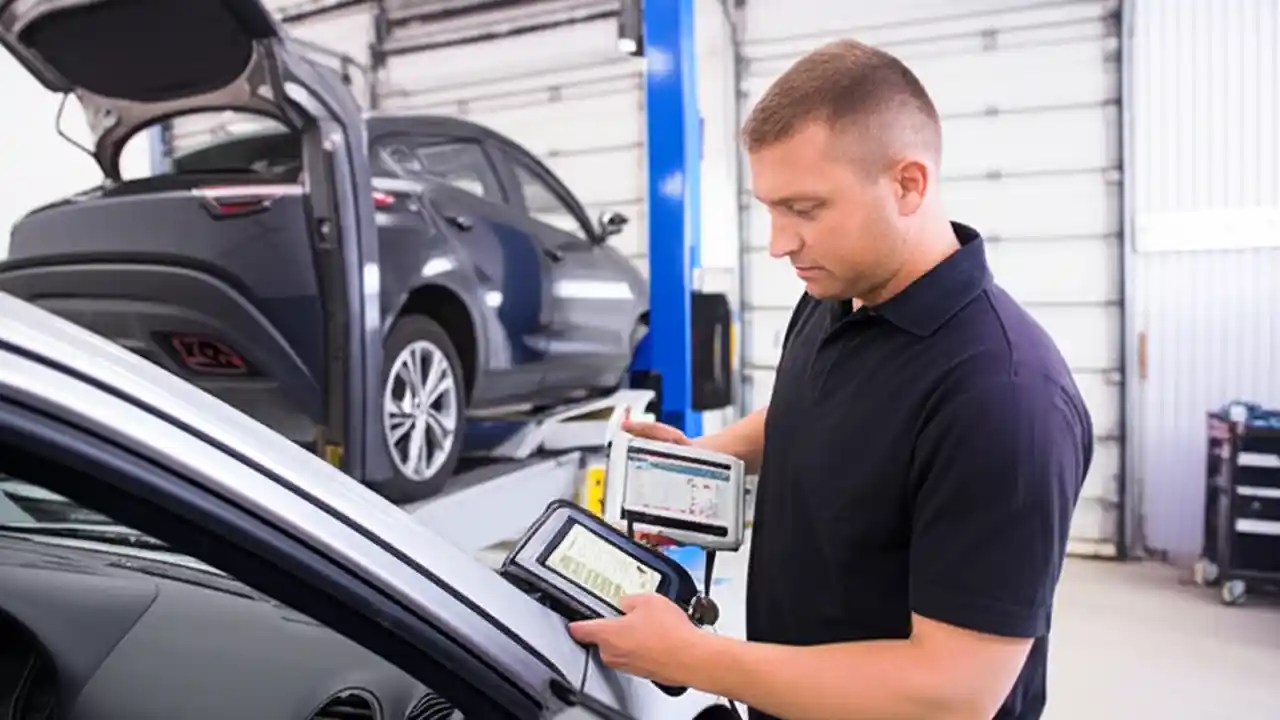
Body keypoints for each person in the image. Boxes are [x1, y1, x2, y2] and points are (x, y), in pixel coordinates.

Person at [567, 37, 1093, 720]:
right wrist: (704, 459)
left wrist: (692, 656)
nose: (778, 242)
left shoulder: (1005, 398)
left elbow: (952, 693)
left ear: (908, 184)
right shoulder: (835, 296)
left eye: (805, 209)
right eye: (771, 208)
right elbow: (814, 410)